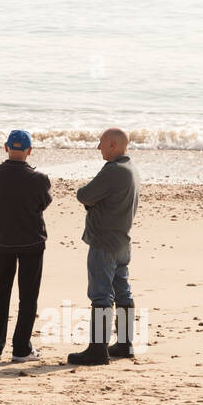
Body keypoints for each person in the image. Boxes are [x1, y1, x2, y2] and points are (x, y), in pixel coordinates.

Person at [0, 130, 52, 362]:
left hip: (1, 240)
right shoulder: (39, 178)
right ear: (29, 151)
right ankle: (21, 349)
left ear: (6, 147)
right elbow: (43, 203)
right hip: (31, 241)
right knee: (28, 296)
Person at [68, 127, 140, 366]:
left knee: (100, 294)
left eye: (101, 142)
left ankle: (98, 351)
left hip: (105, 242)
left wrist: (89, 202)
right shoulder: (131, 169)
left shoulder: (114, 170)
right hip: (122, 240)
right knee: (123, 292)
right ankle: (125, 343)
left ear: (112, 144)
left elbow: (85, 195)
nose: (98, 147)